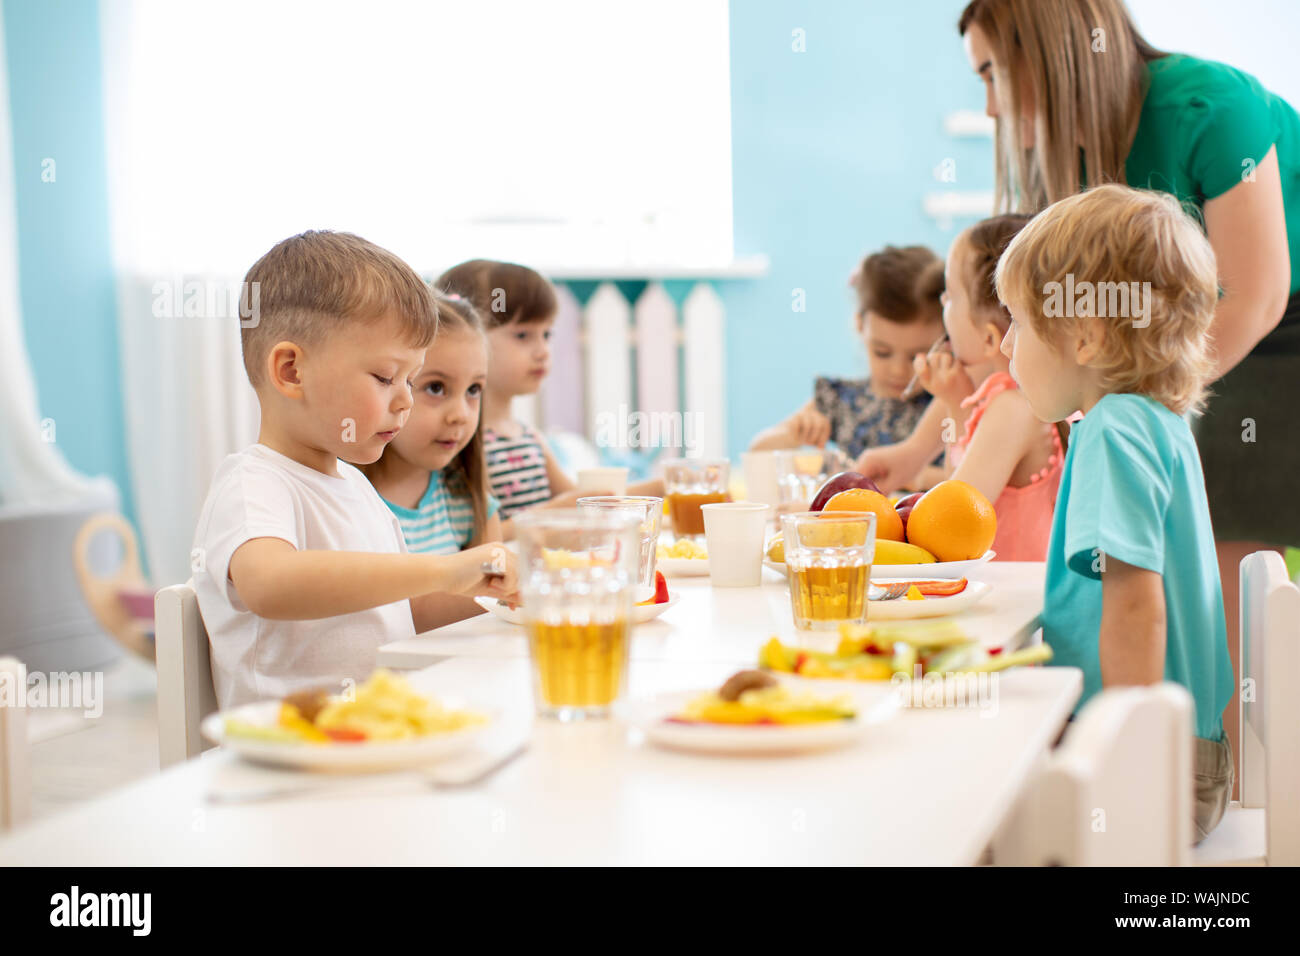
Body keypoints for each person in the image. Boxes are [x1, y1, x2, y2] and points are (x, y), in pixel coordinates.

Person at [958, 0, 1300, 778]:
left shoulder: (1210, 104)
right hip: (1186, 764)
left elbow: (1255, 292)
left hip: (1276, 321)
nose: (986, 106)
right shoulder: (1144, 420)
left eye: (990, 73)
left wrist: (1135, 767)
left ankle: (1208, 763)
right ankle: (1228, 764)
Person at [997, 184, 1234, 841]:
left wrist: (1130, 750)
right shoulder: (1157, 419)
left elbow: (1136, 605)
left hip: (1156, 770)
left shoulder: (1111, 432)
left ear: (1087, 337)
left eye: (1017, 321)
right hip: (1191, 756)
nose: (1005, 345)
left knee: (977, 804)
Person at [192, 231, 517, 708]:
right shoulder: (254, 484)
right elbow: (272, 584)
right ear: (291, 371)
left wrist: (492, 588)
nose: (404, 399)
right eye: (386, 378)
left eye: (410, 379)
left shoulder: (355, 486)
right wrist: (442, 569)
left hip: (373, 735)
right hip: (294, 756)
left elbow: (399, 614)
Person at [857, 215, 1061, 560]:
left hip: (1014, 604)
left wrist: (955, 404)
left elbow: (947, 527)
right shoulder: (1006, 393)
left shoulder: (1012, 409)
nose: (941, 306)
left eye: (950, 295)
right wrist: (912, 452)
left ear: (989, 338)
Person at [437, 259, 662, 535]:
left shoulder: (529, 438)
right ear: (468, 337)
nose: (542, 350)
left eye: (546, 334)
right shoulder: (460, 443)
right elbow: (475, 538)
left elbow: (585, 501)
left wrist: (662, 488)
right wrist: (552, 513)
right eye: (522, 335)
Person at [362, 291, 501, 627]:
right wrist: (513, 588)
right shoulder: (346, 502)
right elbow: (400, 617)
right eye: (436, 388)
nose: (461, 415)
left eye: (474, 390)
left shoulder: (468, 502)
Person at [749, 245, 946, 481]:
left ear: (945, 338)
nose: (898, 370)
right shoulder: (839, 400)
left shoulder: (949, 402)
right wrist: (794, 432)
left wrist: (915, 473)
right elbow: (757, 452)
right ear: (860, 325)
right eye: (882, 352)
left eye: (916, 357)